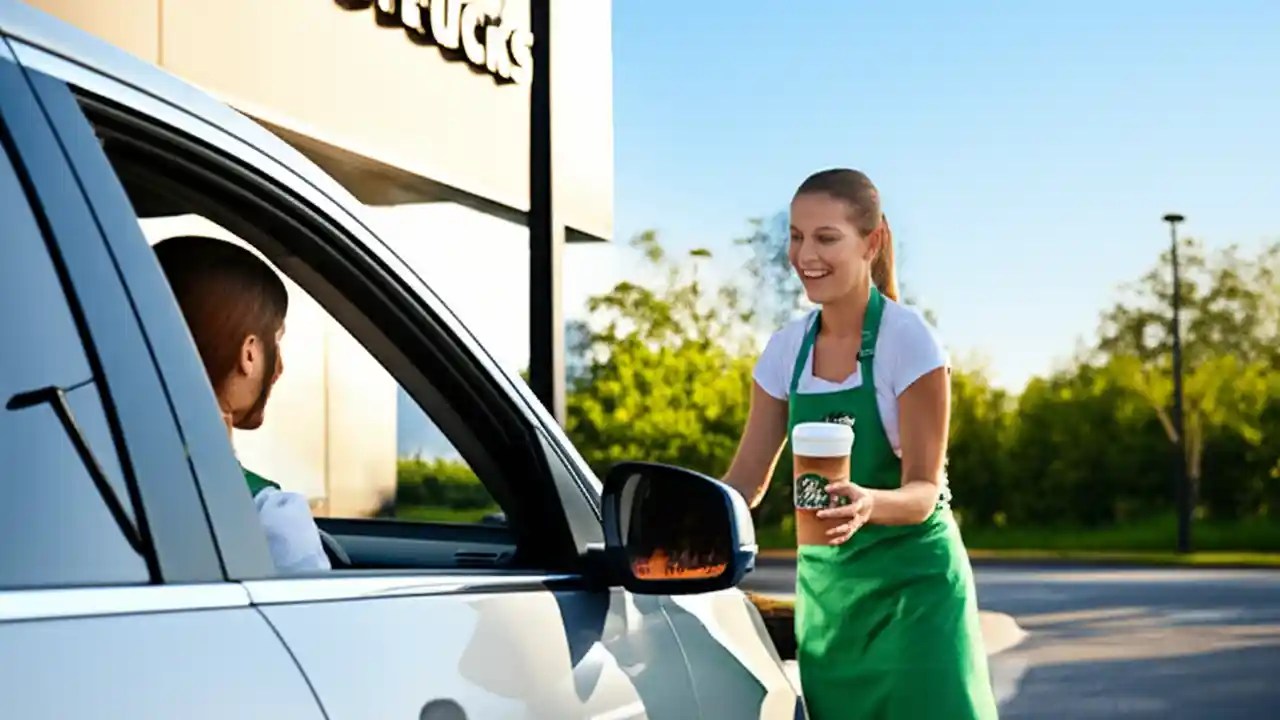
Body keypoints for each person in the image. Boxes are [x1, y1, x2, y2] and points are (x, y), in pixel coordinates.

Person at [723, 169, 997, 718]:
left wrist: (869, 503)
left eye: (826, 237)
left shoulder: (908, 340)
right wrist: (670, 520)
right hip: (830, 607)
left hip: (915, 601)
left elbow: (924, 491)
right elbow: (743, 485)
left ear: (871, 243)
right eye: (797, 237)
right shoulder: (785, 352)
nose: (806, 255)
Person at [155, 235, 331, 574]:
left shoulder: (83, 477)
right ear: (249, 353)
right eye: (275, 343)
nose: (279, 368)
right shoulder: (270, 522)